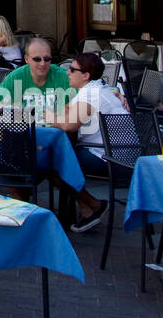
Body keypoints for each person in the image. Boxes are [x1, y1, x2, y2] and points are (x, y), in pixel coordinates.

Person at [45, 51, 125, 232]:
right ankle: (86, 206)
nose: (68, 73)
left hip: (111, 158)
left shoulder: (91, 94)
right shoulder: (95, 89)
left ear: (86, 75)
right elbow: (69, 108)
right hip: (121, 153)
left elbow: (68, 125)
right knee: (56, 155)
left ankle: (92, 205)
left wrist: (48, 116)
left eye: (72, 70)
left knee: (51, 161)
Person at [0, 38, 70, 116]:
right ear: (27, 59)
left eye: (47, 59)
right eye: (37, 59)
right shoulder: (17, 76)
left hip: (55, 127)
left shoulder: (63, 76)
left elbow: (80, 102)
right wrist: (9, 108)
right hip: (25, 127)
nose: (42, 63)